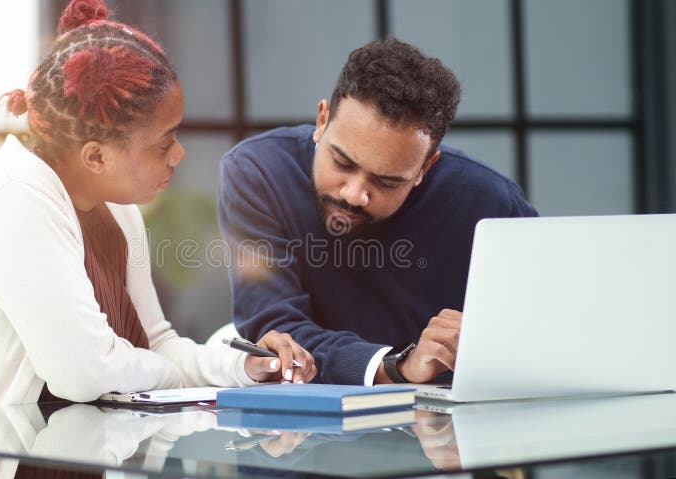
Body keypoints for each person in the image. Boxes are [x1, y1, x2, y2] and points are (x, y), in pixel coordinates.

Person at [0, 0, 315, 410]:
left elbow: (155, 342)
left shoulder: (117, 208)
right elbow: (84, 373)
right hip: (8, 448)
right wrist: (168, 373)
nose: (179, 154)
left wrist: (245, 366)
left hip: (84, 445)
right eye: (164, 143)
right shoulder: (14, 193)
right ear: (96, 156)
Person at [218, 38, 537, 386]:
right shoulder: (260, 172)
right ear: (322, 120)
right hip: (310, 415)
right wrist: (399, 366)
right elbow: (276, 336)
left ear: (425, 168)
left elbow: (548, 324)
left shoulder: (489, 202)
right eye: (342, 162)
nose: (355, 195)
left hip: (450, 413)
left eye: (387, 182)